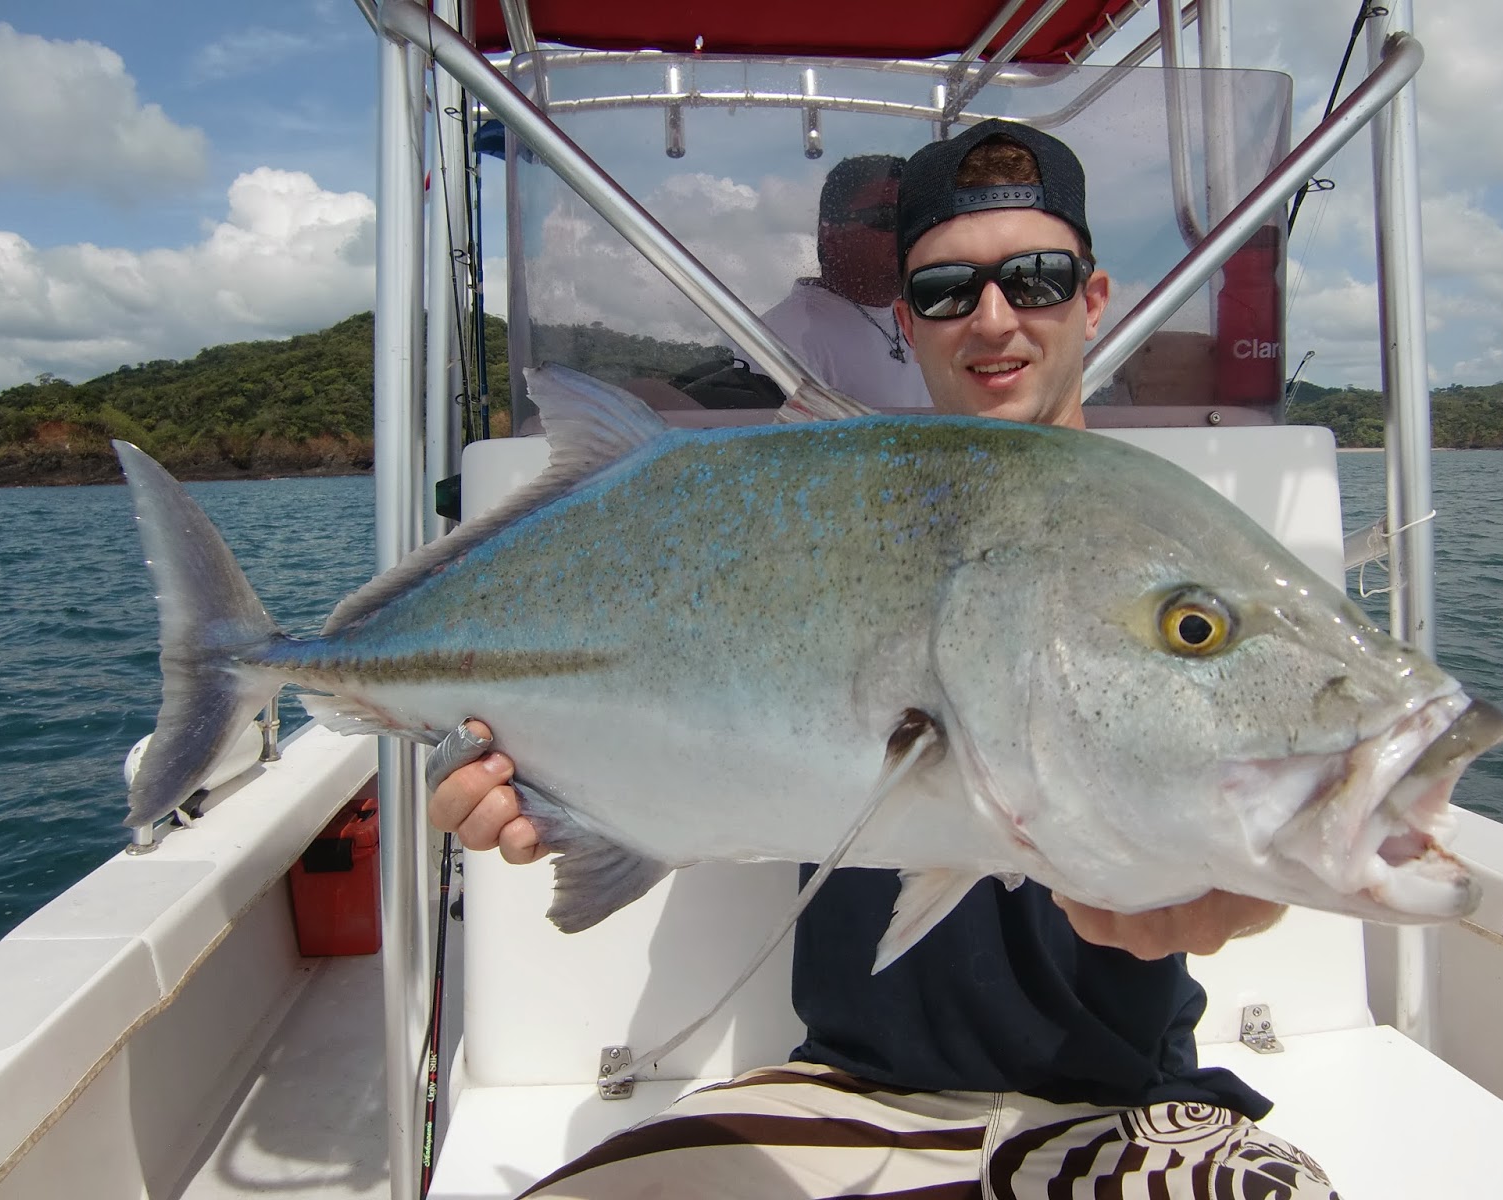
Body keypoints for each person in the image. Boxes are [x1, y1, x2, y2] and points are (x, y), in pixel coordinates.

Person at [429, 120, 1340, 1198]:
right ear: (907, 322)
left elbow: (1272, 810)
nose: (993, 317)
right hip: (840, 1096)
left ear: (1090, 301)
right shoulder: (816, 521)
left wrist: (1233, 897)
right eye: (949, 291)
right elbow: (675, 706)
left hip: (1122, 1104)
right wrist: (541, 780)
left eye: (1035, 278)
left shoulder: (1170, 560)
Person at [748, 153, 932, 410]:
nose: (905, 233)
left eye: (911, 218)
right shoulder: (783, 341)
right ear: (831, 235)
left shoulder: (923, 319)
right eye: (887, 217)